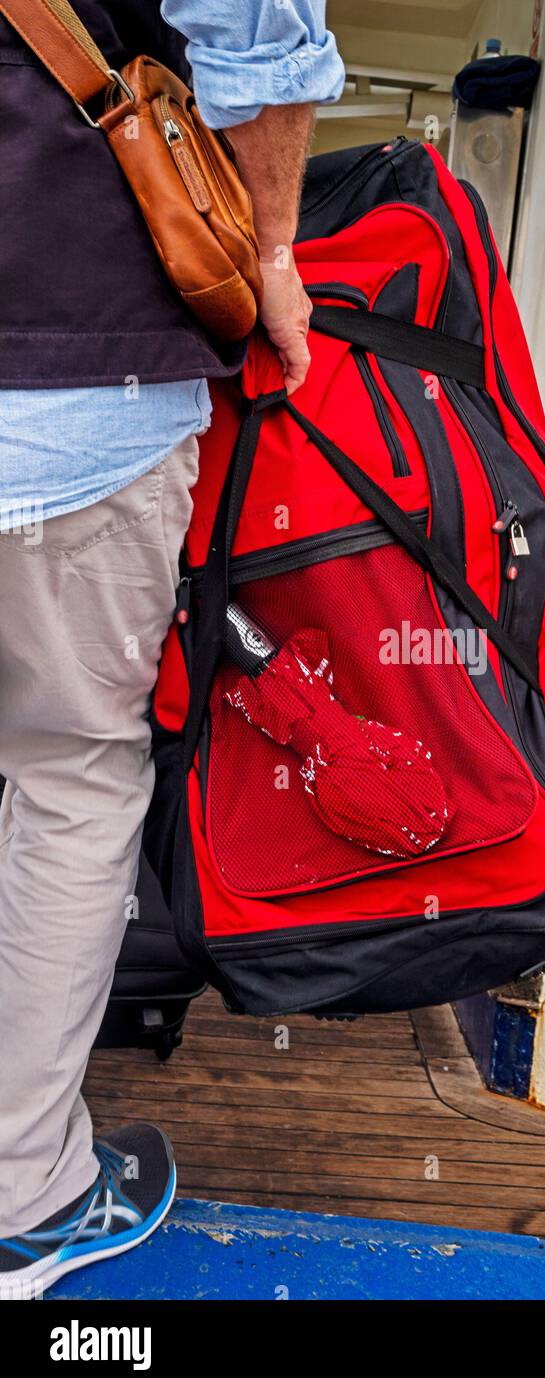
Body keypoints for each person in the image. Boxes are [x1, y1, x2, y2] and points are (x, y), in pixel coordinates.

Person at [0, 0, 343, 1297]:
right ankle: (23, 1196)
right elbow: (254, 31)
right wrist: (269, 255)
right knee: (68, 775)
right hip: (71, 377)